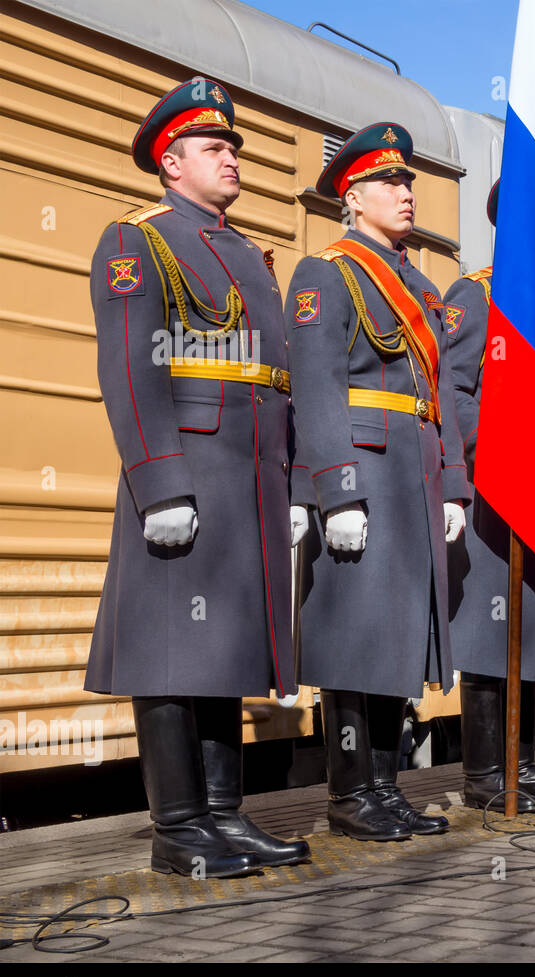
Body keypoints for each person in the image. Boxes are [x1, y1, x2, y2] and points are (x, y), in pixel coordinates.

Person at [85, 78, 309, 876]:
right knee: (173, 656)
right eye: (215, 149)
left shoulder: (247, 251)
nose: (232, 159)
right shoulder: (137, 238)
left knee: (223, 651)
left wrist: (295, 481)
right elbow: (129, 366)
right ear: (172, 162)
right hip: (186, 467)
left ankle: (224, 813)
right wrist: (158, 480)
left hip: (250, 476)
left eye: (234, 148)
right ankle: (178, 827)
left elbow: (274, 375)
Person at [286, 123, 468, 839]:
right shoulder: (324, 273)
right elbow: (317, 386)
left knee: (396, 636)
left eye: (410, 181)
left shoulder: (422, 288)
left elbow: (444, 394)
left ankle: (386, 788)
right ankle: (349, 795)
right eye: (390, 182)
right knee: (353, 639)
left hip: (414, 473)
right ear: (352, 198)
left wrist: (454, 482)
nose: (407, 191)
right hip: (363, 468)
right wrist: (337, 488)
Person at [442, 183, 535, 812]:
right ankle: (484, 779)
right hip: (494, 491)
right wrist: (496, 456)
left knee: (528, 636)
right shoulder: (477, 293)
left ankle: (522, 767)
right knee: (489, 633)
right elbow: (456, 389)